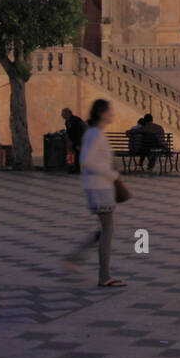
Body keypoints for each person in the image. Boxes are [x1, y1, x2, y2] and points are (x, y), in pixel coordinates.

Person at [63, 98, 126, 287]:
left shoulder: (96, 133)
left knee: (105, 229)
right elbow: (87, 159)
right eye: (109, 111)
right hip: (99, 187)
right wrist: (112, 174)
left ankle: (75, 259)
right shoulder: (95, 134)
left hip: (99, 186)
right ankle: (103, 275)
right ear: (102, 113)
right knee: (108, 230)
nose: (112, 114)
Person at [61, 106, 86, 174]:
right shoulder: (67, 122)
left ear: (68, 113)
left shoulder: (76, 120)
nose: (62, 115)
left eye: (63, 114)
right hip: (75, 140)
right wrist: (70, 141)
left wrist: (79, 144)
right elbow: (70, 133)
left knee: (80, 154)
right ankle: (76, 169)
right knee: (76, 154)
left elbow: (80, 132)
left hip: (81, 139)